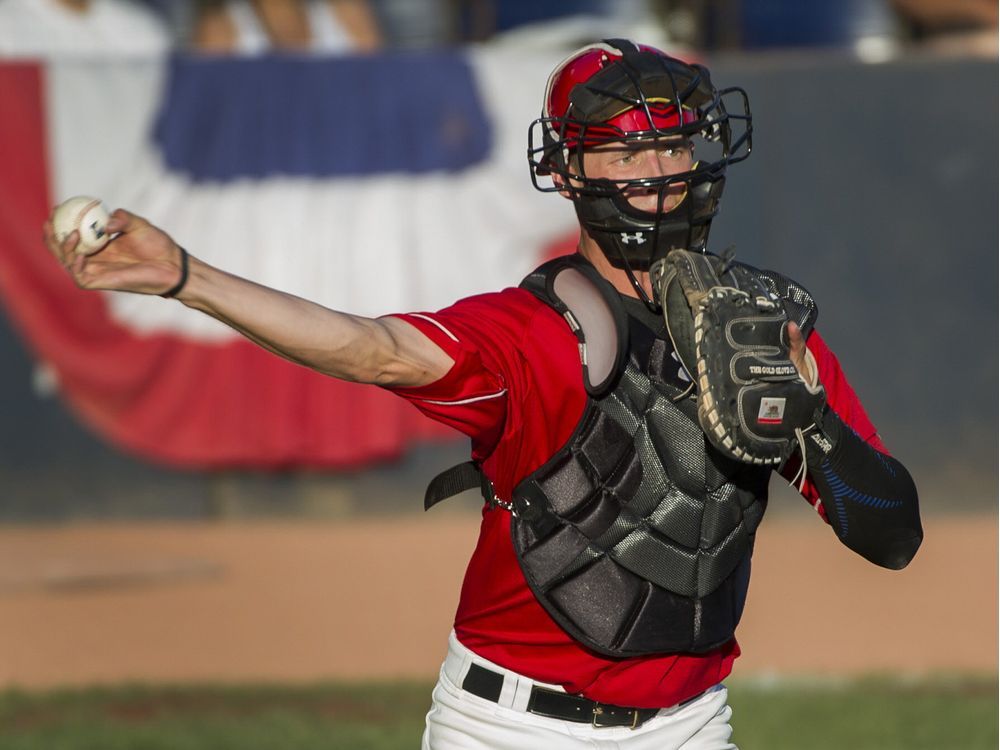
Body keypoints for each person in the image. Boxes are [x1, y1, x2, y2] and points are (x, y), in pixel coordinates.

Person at [44, 39, 922, 749]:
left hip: (691, 726)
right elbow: (376, 349)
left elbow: (892, 535)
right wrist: (186, 277)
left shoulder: (768, 334)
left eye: (672, 139)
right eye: (627, 146)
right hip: (511, 726)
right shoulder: (534, 331)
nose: (659, 166)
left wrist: (811, 427)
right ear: (572, 173)